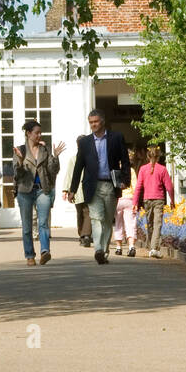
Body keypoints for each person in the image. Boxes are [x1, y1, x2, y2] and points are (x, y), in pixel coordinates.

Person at [66, 108, 129, 264]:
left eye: (96, 122)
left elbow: (125, 161)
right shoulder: (85, 142)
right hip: (92, 186)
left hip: (110, 185)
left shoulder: (116, 138)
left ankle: (104, 250)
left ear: (102, 121)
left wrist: (125, 181)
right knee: (96, 218)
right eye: (91, 123)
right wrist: (72, 189)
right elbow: (78, 166)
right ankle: (98, 249)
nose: (93, 125)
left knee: (107, 220)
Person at [14, 121, 64, 266]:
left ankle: (44, 251)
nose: (39, 135)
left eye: (40, 132)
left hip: (43, 189)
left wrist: (55, 157)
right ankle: (29, 255)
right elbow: (17, 175)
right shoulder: (20, 150)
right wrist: (20, 161)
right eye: (36, 132)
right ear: (29, 134)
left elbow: (53, 171)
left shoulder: (45, 150)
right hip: (25, 191)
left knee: (43, 223)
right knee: (27, 225)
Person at [133, 144, 175, 258]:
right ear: (159, 156)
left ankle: (151, 246)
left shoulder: (143, 169)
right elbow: (169, 187)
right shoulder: (162, 169)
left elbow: (138, 187)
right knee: (157, 224)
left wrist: (135, 202)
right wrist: (172, 200)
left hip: (147, 199)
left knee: (150, 223)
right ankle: (153, 248)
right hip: (159, 199)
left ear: (147, 156)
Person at [61, 136, 93, 246]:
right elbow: (69, 174)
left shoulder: (89, 157)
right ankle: (83, 234)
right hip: (79, 191)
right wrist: (65, 189)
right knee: (83, 213)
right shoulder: (74, 159)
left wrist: (66, 190)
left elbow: (69, 175)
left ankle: (85, 235)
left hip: (84, 190)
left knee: (85, 213)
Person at [112, 147, 140, 256]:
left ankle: (118, 247)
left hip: (117, 199)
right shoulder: (131, 171)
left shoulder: (115, 171)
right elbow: (136, 186)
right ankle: (131, 246)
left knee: (118, 223)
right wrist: (136, 202)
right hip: (129, 199)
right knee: (130, 223)